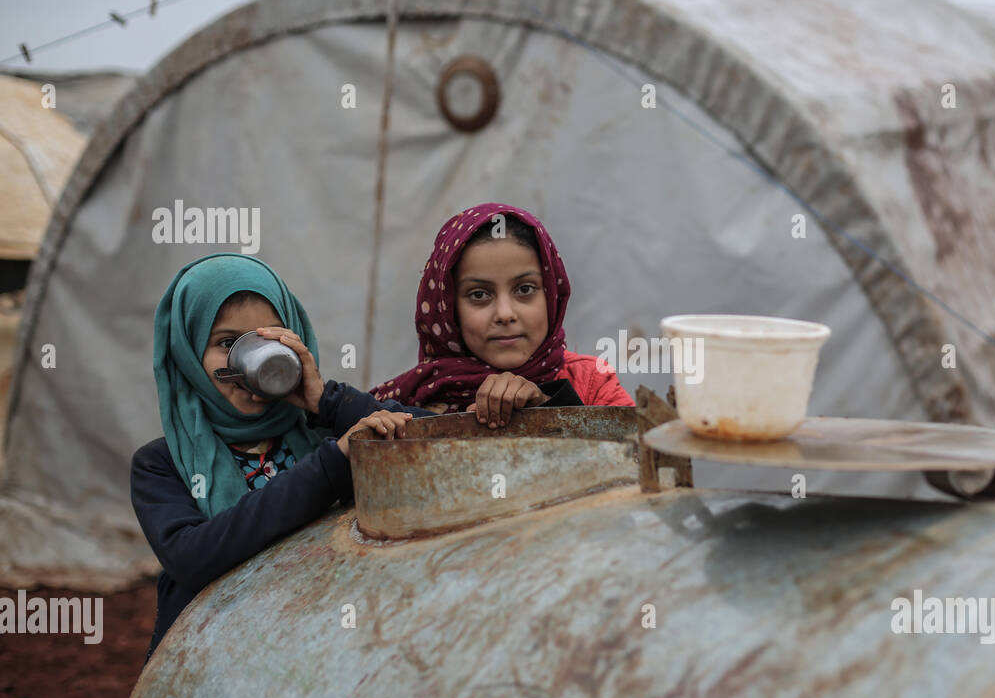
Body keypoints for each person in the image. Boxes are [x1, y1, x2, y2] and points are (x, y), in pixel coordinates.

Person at [129, 254, 412, 665]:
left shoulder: (326, 431)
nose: (253, 361)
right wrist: (330, 467)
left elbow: (433, 440)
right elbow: (193, 558)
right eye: (228, 343)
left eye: (269, 342)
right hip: (213, 667)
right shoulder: (161, 464)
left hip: (328, 652)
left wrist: (326, 400)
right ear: (187, 354)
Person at [368, 202, 634, 422]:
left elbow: (636, 466)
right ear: (448, 311)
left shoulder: (591, 383)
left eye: (525, 289)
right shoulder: (405, 408)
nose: (505, 314)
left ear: (551, 294)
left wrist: (548, 407)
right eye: (479, 295)